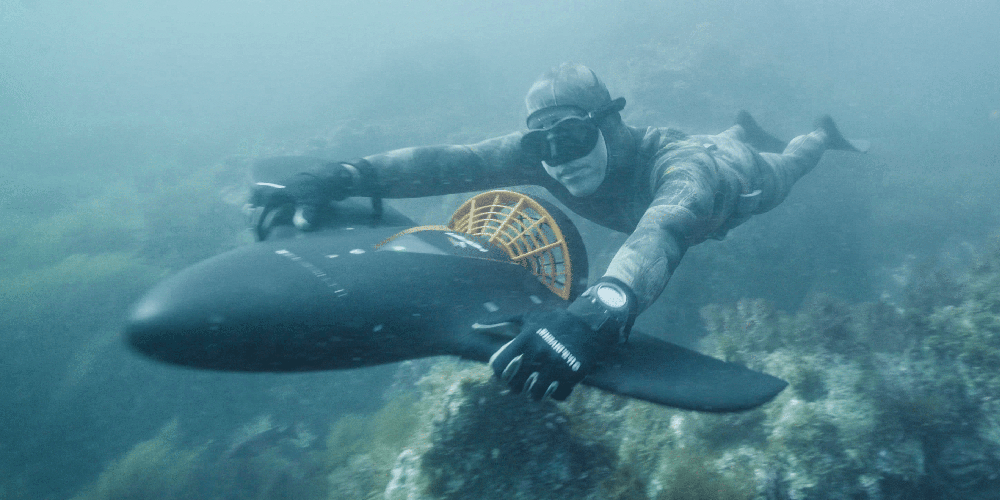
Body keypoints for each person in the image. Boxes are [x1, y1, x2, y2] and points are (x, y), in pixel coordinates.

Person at [250, 62, 866, 402]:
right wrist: (347, 175)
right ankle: (738, 125)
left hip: (741, 181)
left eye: (570, 138)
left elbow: (669, 223)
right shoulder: (548, 156)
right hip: (703, 160)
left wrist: (602, 309)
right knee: (507, 155)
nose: (558, 161)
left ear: (609, 124)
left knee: (793, 164)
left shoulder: (680, 169)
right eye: (539, 146)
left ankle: (815, 132)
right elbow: (449, 160)